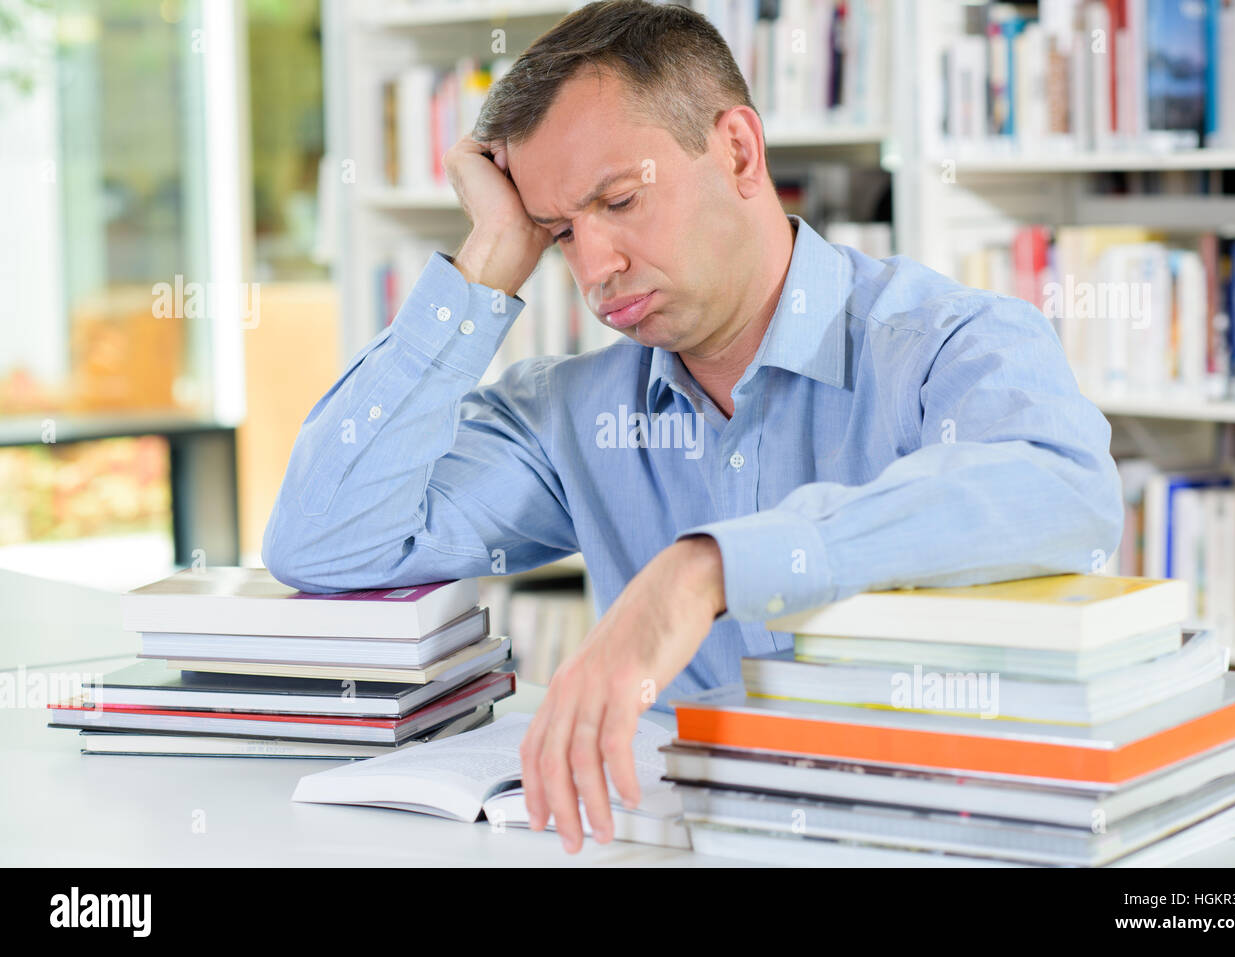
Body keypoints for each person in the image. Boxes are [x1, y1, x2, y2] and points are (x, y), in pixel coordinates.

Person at [262, 0, 1124, 855]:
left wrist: (707, 567)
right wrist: (488, 259)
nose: (594, 269)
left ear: (739, 151)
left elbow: (1063, 491)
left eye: (622, 200)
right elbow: (328, 540)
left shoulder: (942, 340)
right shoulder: (571, 414)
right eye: (559, 232)